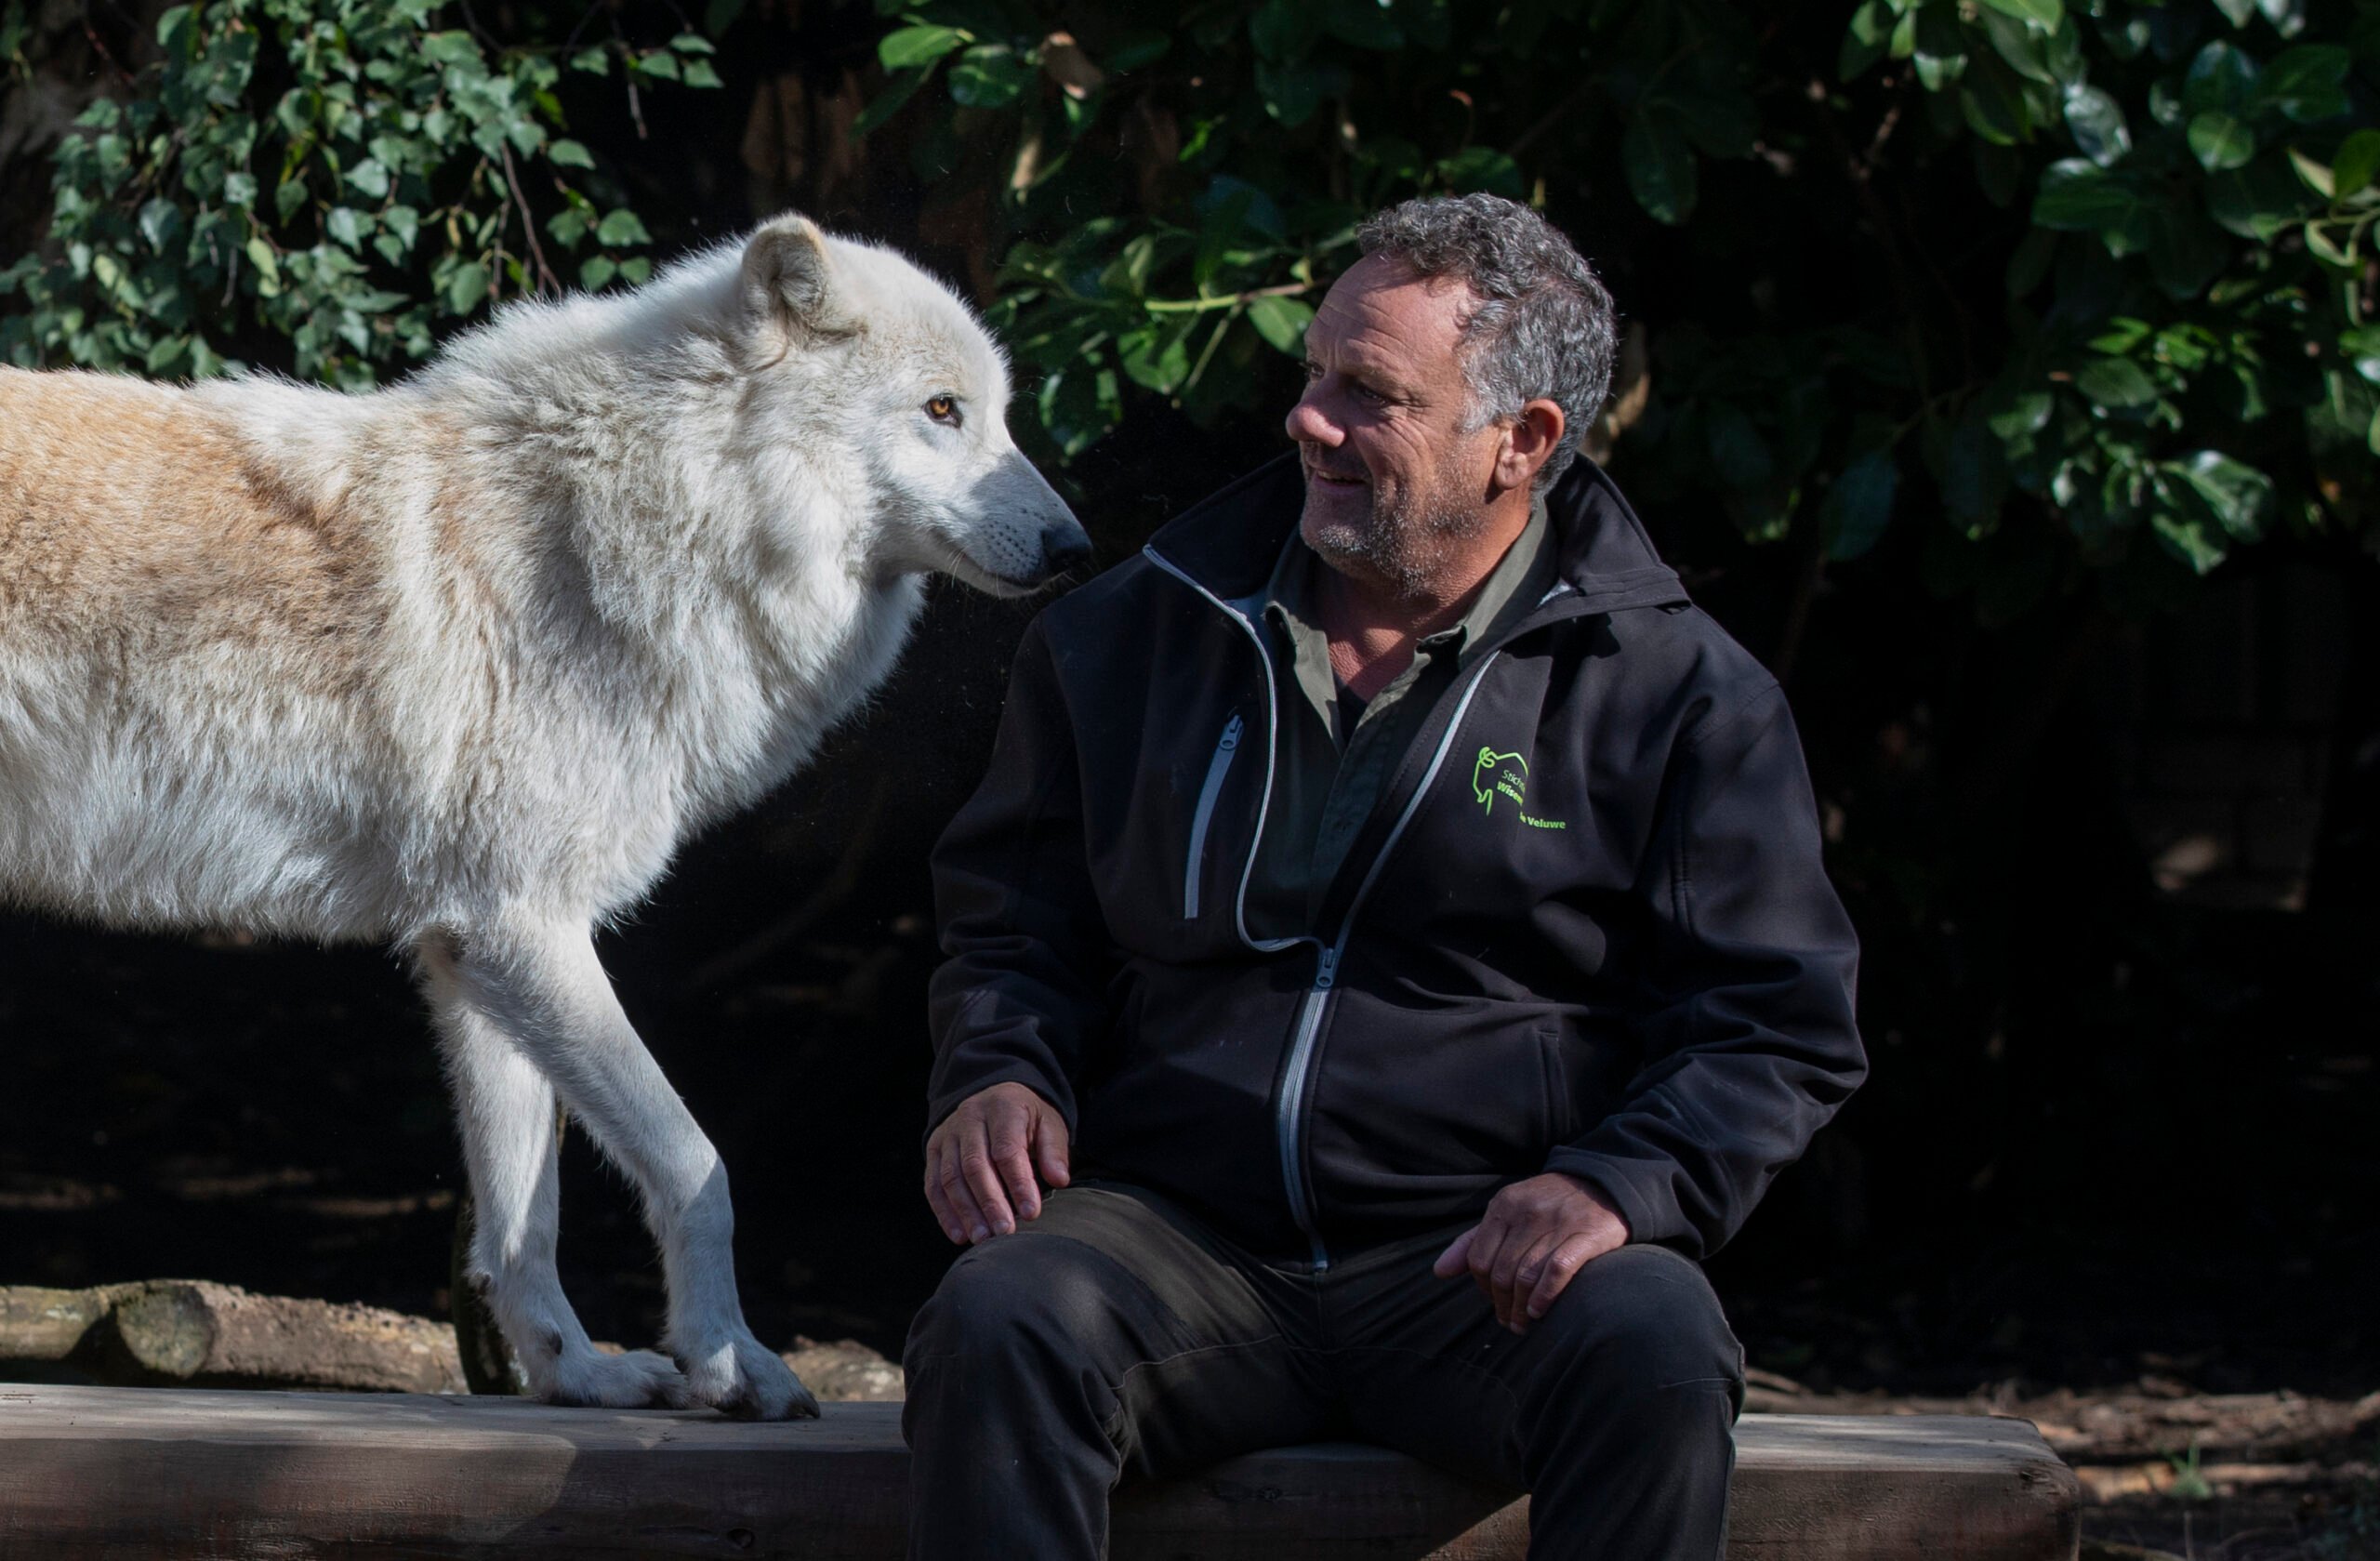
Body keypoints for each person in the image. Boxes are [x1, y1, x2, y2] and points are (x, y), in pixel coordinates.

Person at [902, 192, 1866, 1560]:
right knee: (998, 1319)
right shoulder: (1130, 634)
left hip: (1480, 1273)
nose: (1309, 418)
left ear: (1521, 442)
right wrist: (998, 1071)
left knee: (1655, 1336)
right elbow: (1012, 921)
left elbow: (1777, 1022)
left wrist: (1616, 1188)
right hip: (1176, 1245)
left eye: (1372, 395)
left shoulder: (1679, 695)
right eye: (1312, 374)